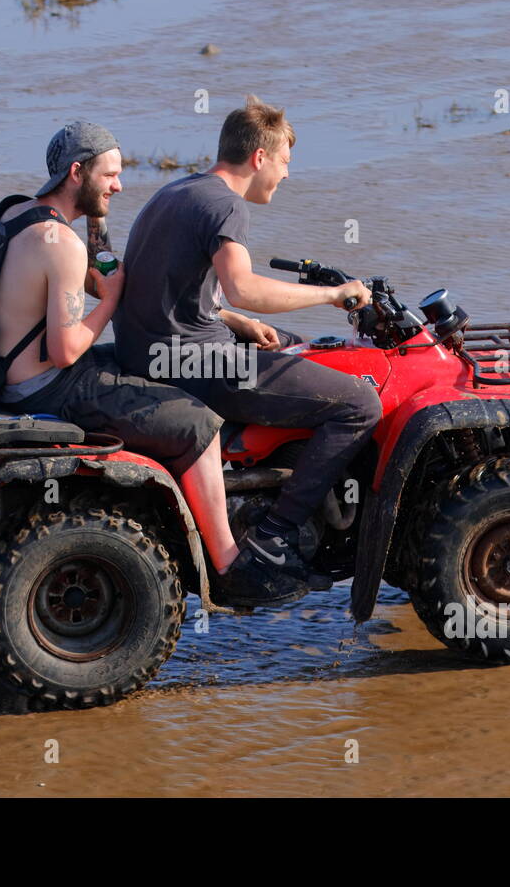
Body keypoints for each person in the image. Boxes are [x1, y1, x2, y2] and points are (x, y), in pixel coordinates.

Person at [113, 96, 383, 600]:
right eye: (284, 162)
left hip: (154, 351)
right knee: (359, 403)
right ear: (259, 157)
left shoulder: (177, 192)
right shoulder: (225, 204)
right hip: (194, 363)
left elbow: (181, 289)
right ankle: (275, 534)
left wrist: (240, 323)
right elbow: (241, 285)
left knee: (298, 346)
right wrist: (333, 294)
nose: (285, 175)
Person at [0, 120, 261, 593]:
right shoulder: (62, 247)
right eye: (110, 176)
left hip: (13, 373)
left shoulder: (19, 214)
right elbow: (68, 347)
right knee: (197, 422)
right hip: (50, 381)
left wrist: (98, 225)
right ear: (77, 173)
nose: (120, 184)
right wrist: (111, 301)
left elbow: (98, 272)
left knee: (158, 360)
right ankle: (229, 564)